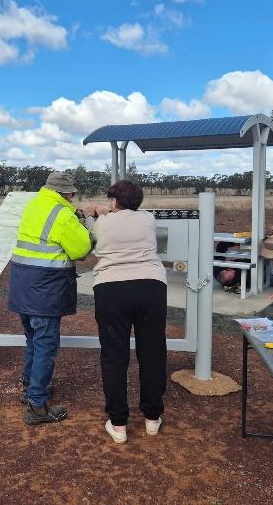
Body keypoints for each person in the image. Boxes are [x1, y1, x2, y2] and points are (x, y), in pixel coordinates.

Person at [82, 180, 167, 444]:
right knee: (152, 352)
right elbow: (128, 218)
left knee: (114, 356)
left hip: (111, 289)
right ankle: (152, 418)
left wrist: (90, 214)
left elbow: (92, 236)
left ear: (114, 202)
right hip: (151, 286)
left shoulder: (102, 223)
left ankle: (118, 424)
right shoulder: (148, 219)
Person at [8, 171, 92, 425]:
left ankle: (30, 388)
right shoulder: (63, 214)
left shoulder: (35, 205)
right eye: (71, 193)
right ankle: (38, 406)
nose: (72, 197)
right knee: (46, 345)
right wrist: (85, 224)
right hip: (45, 288)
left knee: (33, 340)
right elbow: (82, 249)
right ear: (66, 192)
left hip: (23, 283)